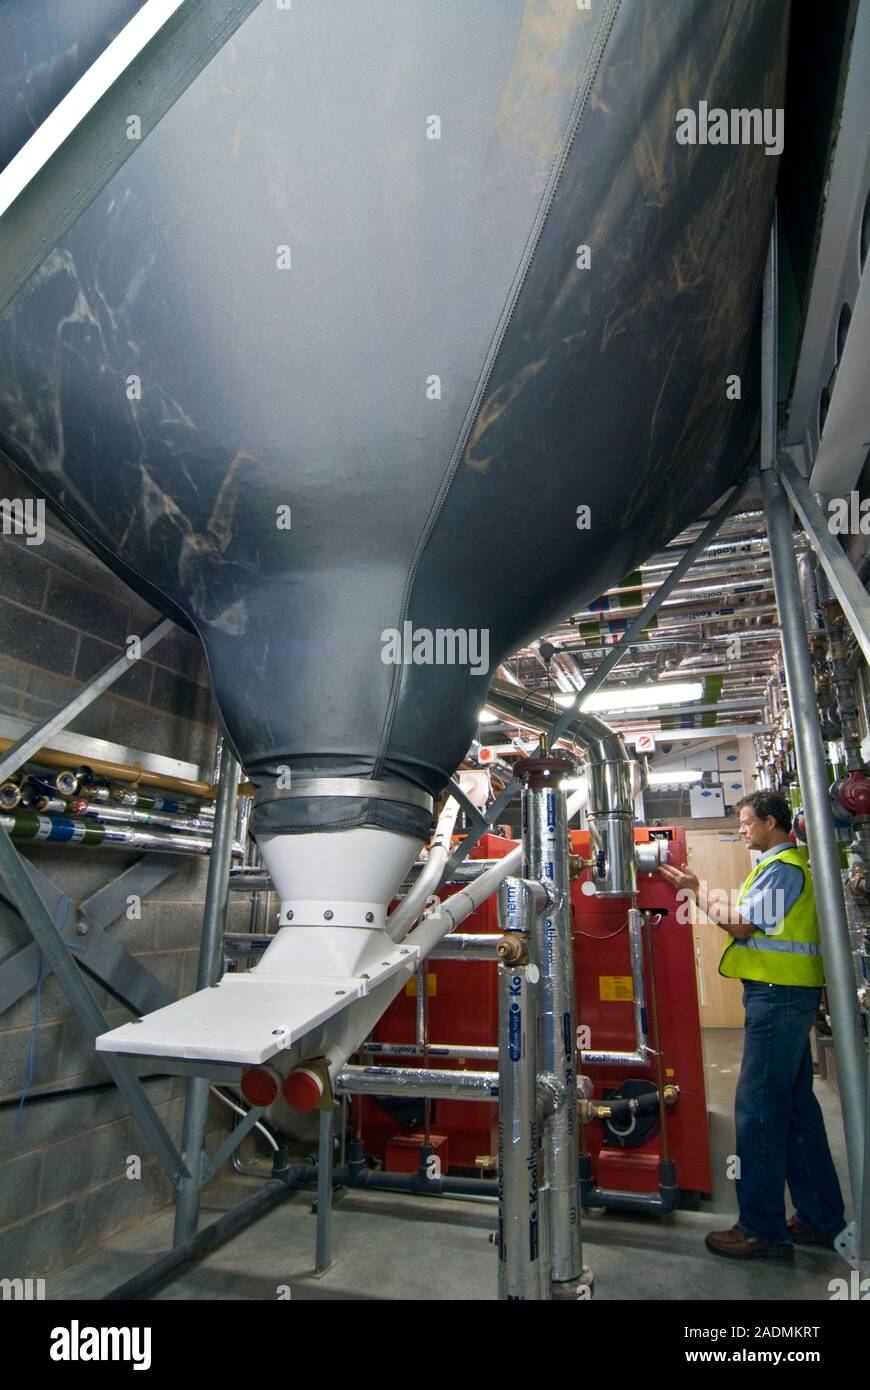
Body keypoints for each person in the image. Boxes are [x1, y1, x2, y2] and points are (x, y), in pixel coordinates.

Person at [658, 790, 846, 1261]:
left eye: (746, 822)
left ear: (771, 822)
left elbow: (742, 926)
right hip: (781, 996)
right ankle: (821, 1218)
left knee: (757, 1110)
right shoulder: (776, 867)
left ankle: (761, 1228)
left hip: (778, 999)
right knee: (797, 1110)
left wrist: (695, 891)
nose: (741, 829)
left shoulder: (784, 869)